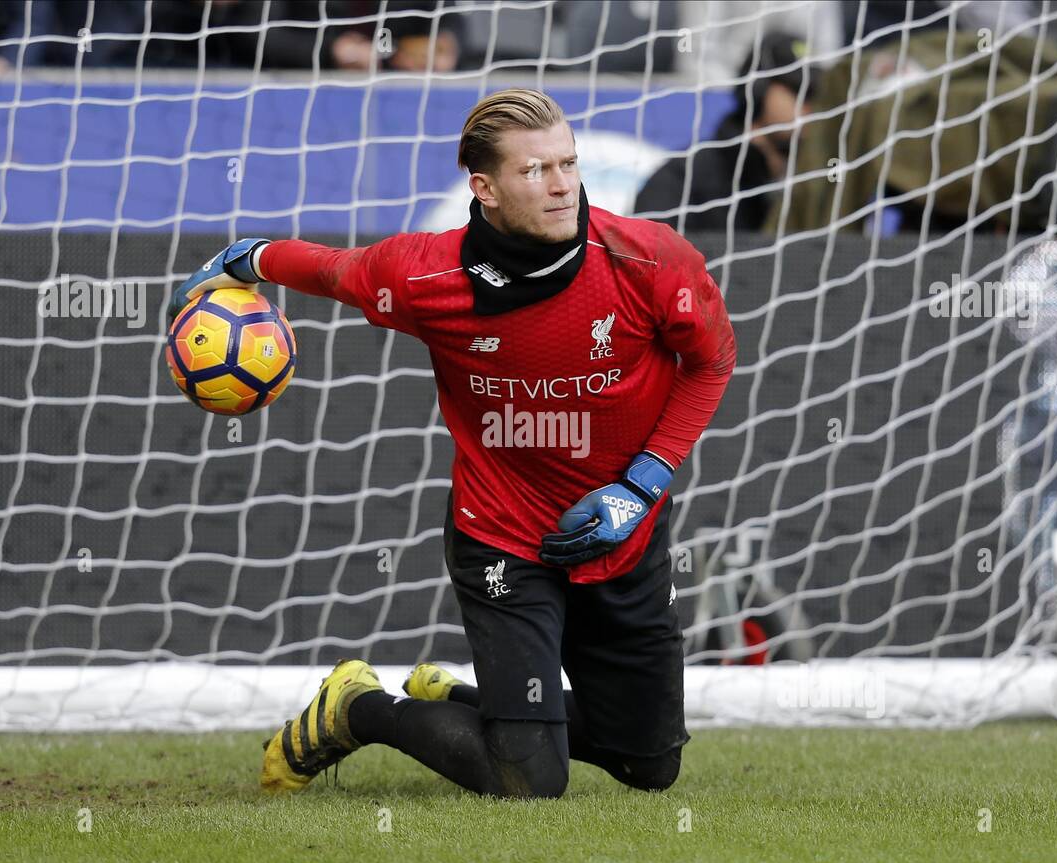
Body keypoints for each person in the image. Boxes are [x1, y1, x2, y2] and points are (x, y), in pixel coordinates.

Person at [166, 88, 736, 799]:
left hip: (625, 529)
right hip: (503, 538)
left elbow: (711, 361)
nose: (562, 185)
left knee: (649, 765)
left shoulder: (652, 261)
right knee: (529, 781)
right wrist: (247, 258)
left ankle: (461, 700)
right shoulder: (423, 275)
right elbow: (333, 270)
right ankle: (357, 708)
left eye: (569, 164)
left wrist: (641, 483)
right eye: (535, 171)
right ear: (484, 188)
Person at [634, 33, 814, 234]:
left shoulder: (814, 181)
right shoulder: (685, 179)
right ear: (757, 88)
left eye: (816, 93)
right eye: (800, 91)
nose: (810, 105)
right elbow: (644, 254)